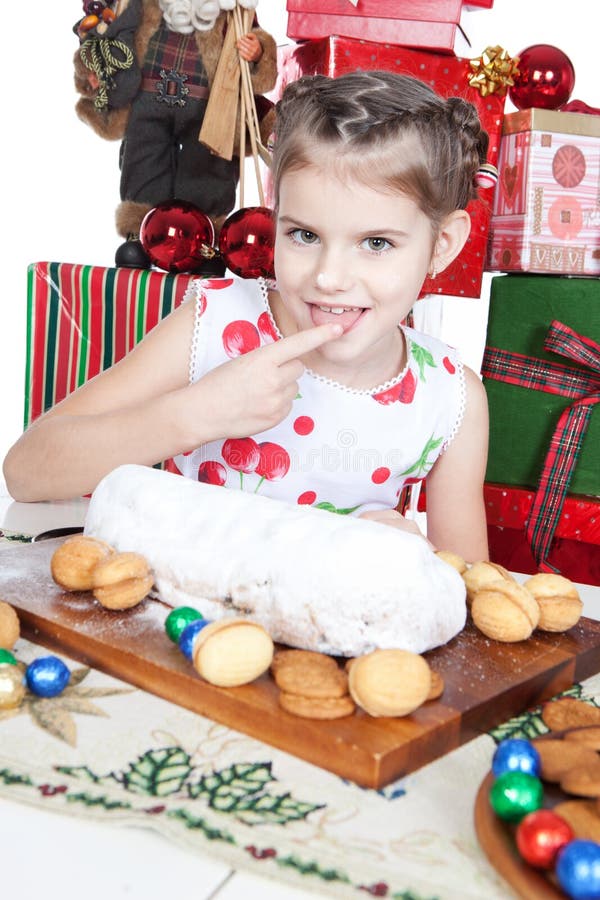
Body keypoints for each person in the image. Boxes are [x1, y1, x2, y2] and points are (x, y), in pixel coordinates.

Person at [4, 70, 490, 562]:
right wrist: (195, 413)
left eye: (377, 243)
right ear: (276, 216)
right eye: (304, 235)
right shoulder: (219, 324)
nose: (330, 277)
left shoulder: (451, 398)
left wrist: (418, 557)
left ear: (442, 245)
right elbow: (26, 470)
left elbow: (474, 596)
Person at [72, 0, 277, 269]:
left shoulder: (234, 12)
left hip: (208, 107)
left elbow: (260, 64)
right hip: (147, 99)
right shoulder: (138, 5)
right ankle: (141, 232)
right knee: (143, 160)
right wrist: (96, 70)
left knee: (208, 168)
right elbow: (106, 40)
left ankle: (206, 239)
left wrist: (258, 52)